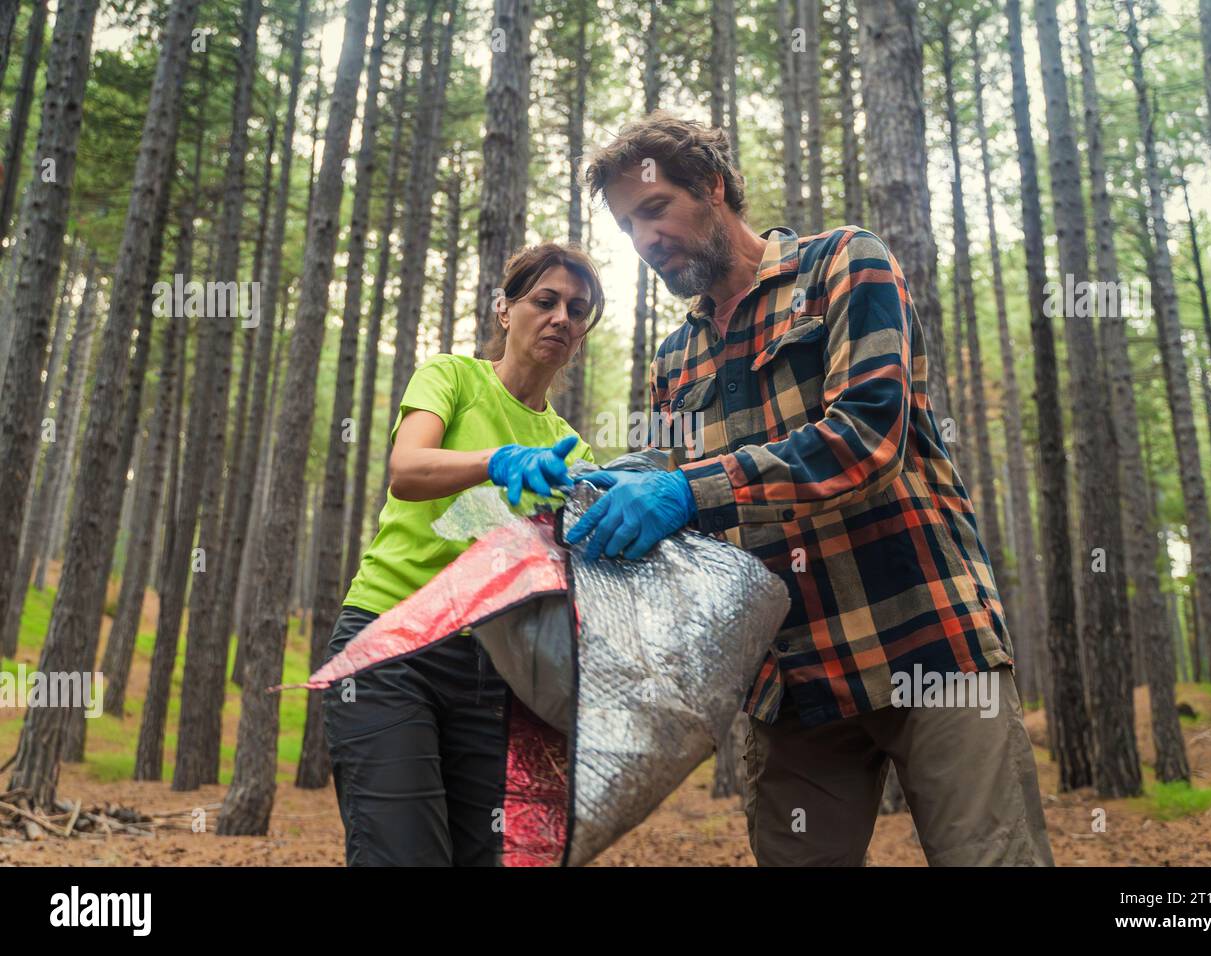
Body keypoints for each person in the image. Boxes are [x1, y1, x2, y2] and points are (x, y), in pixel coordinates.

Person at [570, 110, 1054, 866]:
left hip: (925, 640)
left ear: (716, 186)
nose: (645, 241)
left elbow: (866, 438)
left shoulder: (843, 264)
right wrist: (621, 488)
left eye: (655, 209)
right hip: (791, 682)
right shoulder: (675, 358)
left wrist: (687, 492)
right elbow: (680, 502)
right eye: (629, 227)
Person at [324, 241, 604, 866]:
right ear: (505, 311)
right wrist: (497, 462)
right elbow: (407, 468)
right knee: (404, 854)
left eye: (578, 309)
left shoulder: (570, 449)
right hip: (389, 643)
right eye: (546, 300)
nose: (562, 316)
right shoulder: (450, 377)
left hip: (493, 671)